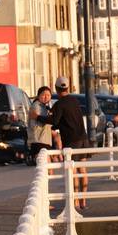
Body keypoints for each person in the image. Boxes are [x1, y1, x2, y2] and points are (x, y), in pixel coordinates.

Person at [50, 77, 91, 210]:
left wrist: (40, 118)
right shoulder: (75, 100)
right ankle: (83, 200)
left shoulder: (59, 104)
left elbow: (54, 123)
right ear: (67, 88)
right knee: (82, 170)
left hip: (71, 141)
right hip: (83, 138)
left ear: (56, 89)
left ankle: (75, 203)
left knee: (73, 172)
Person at [28, 86, 55, 161]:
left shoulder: (44, 106)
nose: (46, 97)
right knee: (44, 164)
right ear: (38, 96)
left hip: (43, 139)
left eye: (48, 95)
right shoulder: (37, 106)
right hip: (39, 140)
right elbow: (35, 124)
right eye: (43, 95)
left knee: (45, 166)